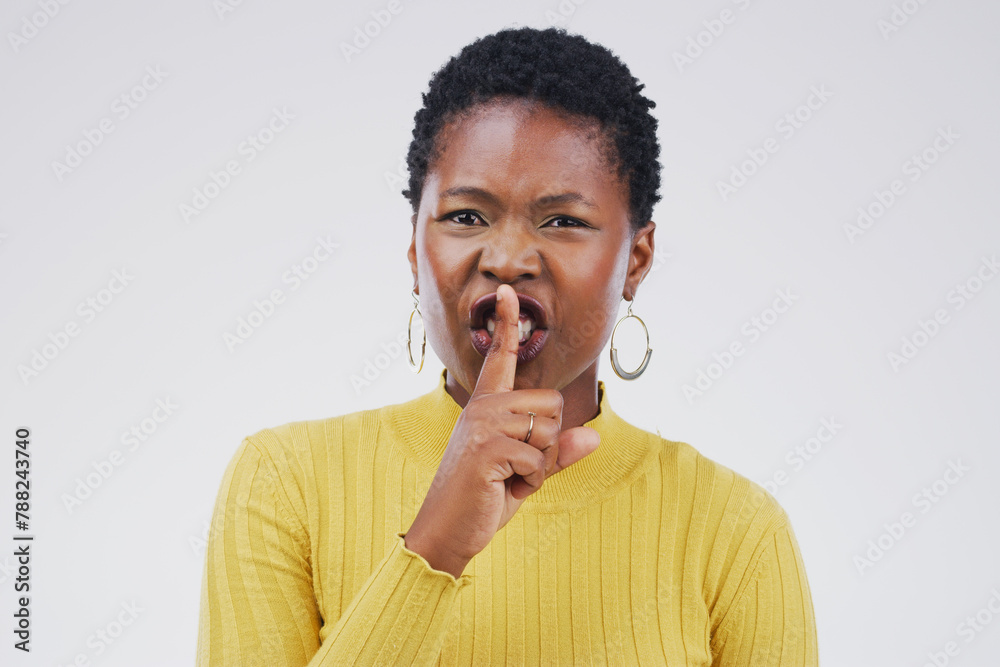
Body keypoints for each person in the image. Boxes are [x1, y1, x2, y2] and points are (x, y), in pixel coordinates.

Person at [196, 26, 818, 666]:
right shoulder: (284, 482)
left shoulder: (735, 530)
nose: (509, 259)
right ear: (415, 250)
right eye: (466, 216)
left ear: (636, 259)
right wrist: (436, 546)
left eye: (564, 221)